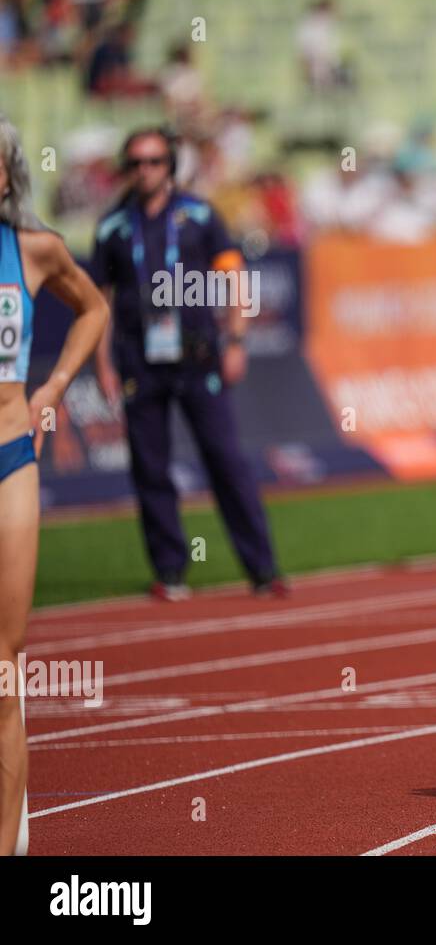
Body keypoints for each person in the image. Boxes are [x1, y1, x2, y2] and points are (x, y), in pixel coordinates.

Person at [90, 125, 286, 600]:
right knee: (151, 469)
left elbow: (234, 278)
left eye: (155, 161)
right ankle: (170, 571)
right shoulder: (113, 226)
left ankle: (262, 569)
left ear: (170, 166)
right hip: (139, 359)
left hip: (198, 357)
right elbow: (98, 302)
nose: (145, 171)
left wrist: (236, 339)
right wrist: (102, 364)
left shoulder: (199, 215)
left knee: (226, 461)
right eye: (136, 163)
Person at [0, 113, 110, 855]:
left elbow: (94, 308)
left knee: (3, 661)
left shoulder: (32, 249)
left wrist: (55, 387)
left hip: (9, 454)